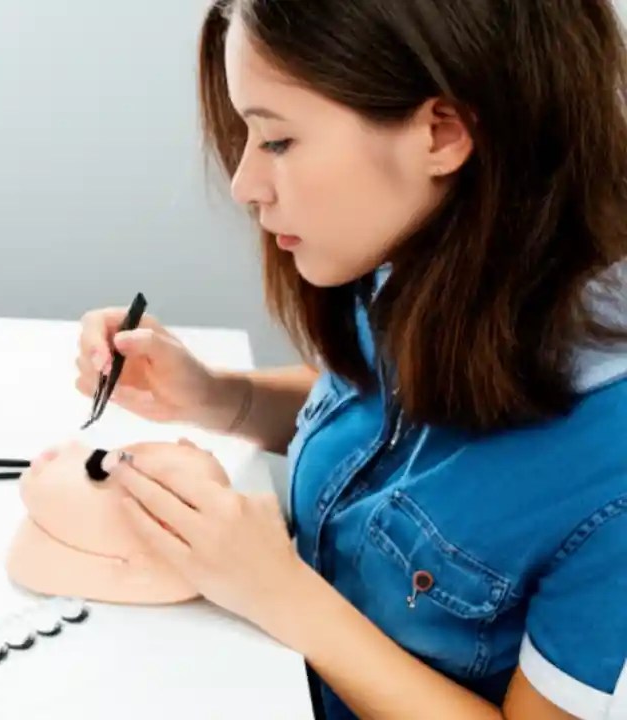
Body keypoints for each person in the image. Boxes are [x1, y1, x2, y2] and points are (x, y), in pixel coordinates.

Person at [73, 1, 627, 718]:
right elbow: (386, 413)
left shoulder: (610, 468)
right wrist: (220, 397)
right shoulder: (436, 253)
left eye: (275, 140)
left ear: (442, 131)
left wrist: (279, 593)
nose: (245, 185)